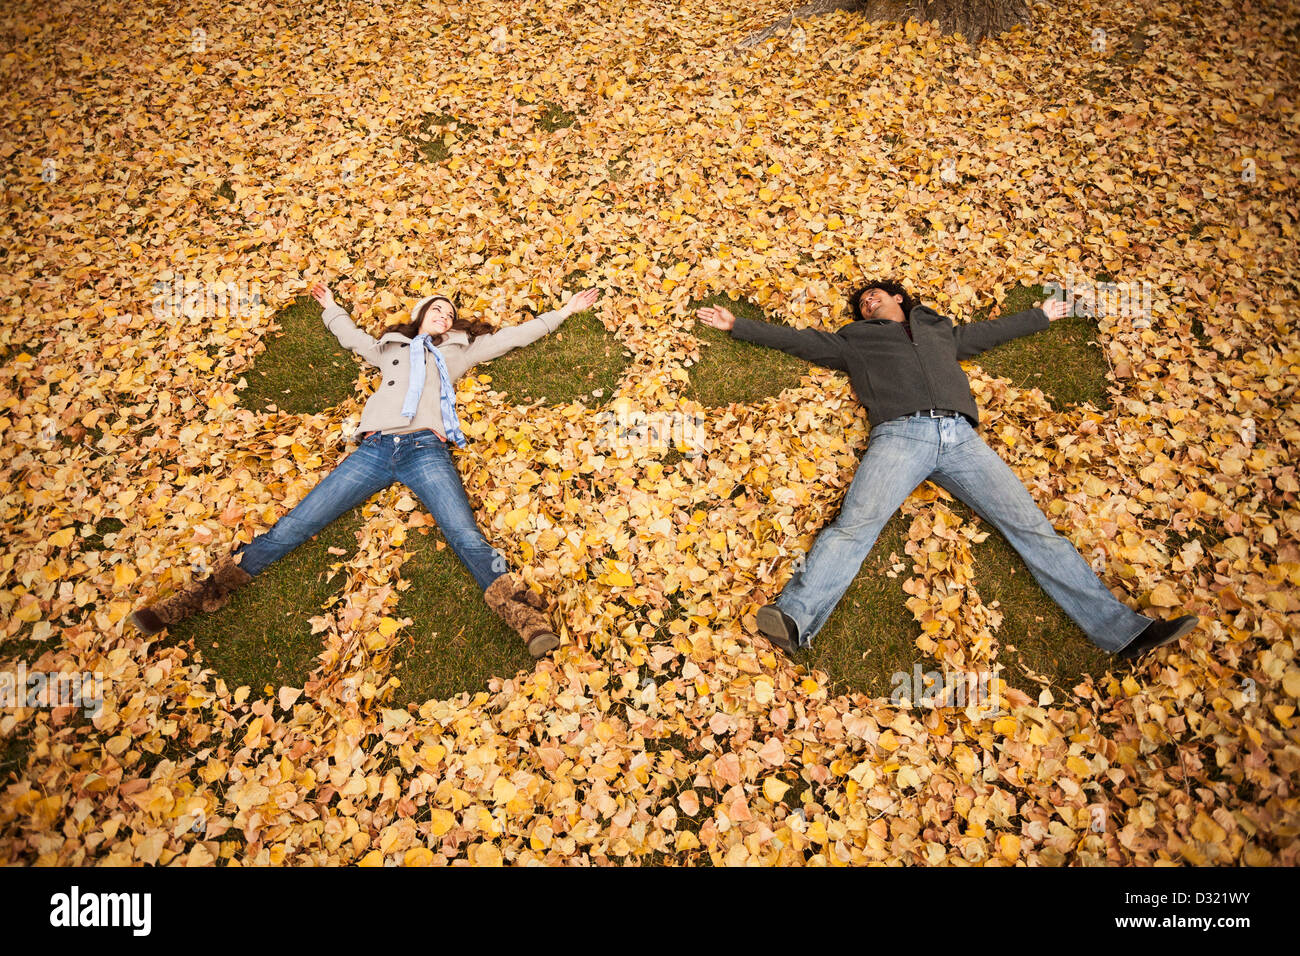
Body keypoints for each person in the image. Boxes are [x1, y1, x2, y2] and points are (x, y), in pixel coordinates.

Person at [696, 280, 1198, 662]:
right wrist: (737, 325)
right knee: (852, 528)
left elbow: (987, 334)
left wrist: (1040, 315)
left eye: (876, 296)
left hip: (963, 441)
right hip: (900, 437)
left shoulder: (939, 331)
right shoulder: (854, 341)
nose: (868, 302)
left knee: (1034, 529)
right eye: (862, 303)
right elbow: (798, 341)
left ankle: (1125, 633)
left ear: (900, 298)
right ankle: (793, 619)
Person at [131, 280, 601, 659]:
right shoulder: (389, 348)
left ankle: (526, 618)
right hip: (375, 449)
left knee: (465, 535)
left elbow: (513, 337)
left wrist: (565, 311)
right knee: (296, 525)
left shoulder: (458, 351)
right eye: (437, 310)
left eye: (450, 314)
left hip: (426, 450)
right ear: (419, 315)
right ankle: (196, 597)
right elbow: (350, 336)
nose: (445, 316)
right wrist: (331, 308)